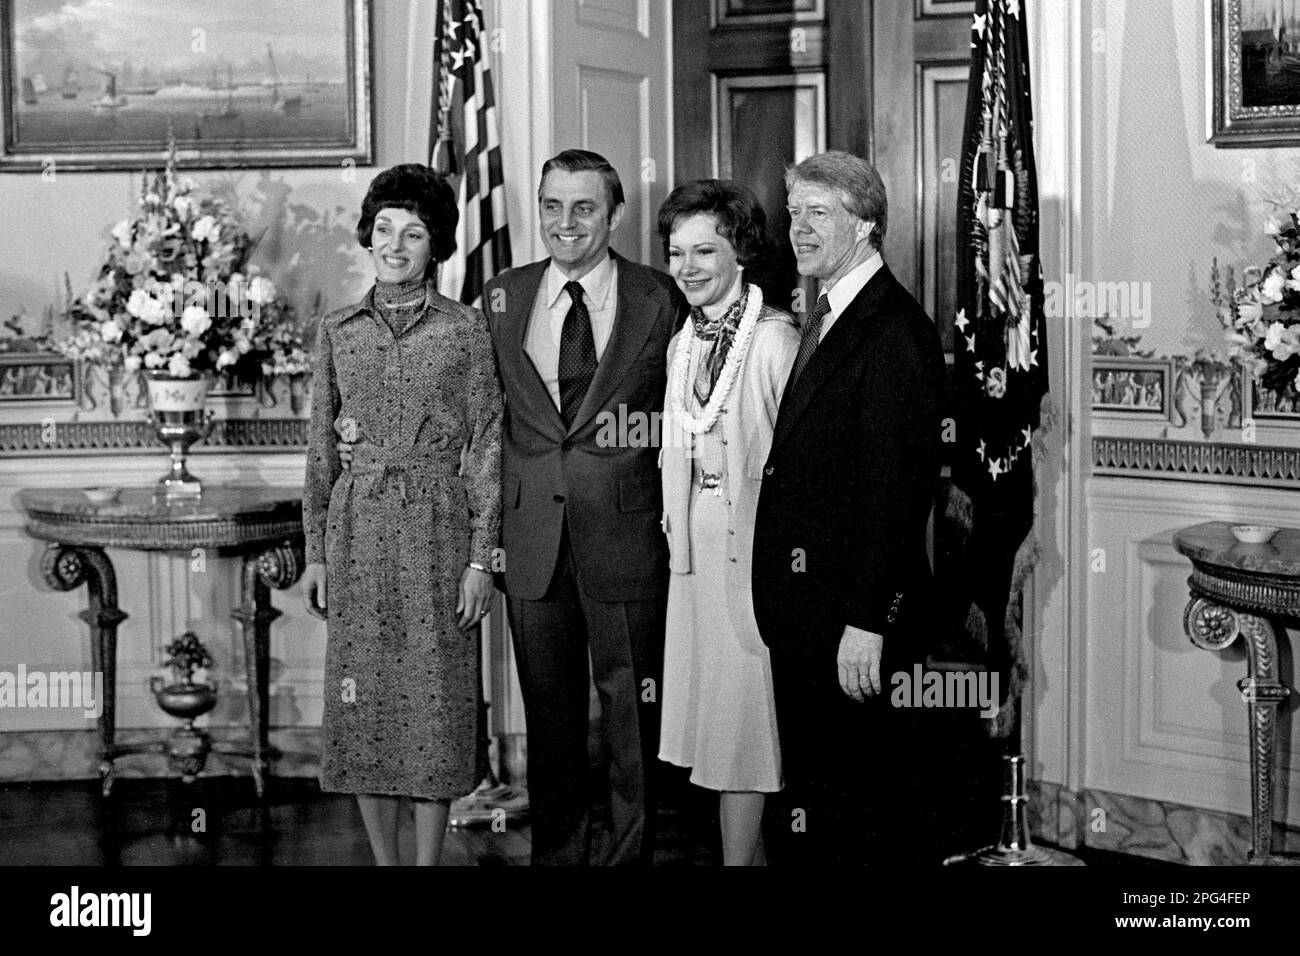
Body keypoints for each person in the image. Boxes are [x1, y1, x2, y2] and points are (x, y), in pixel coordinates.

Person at [483, 149, 685, 865]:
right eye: (551, 206)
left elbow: (687, 416)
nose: (564, 223)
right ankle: (560, 856)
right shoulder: (501, 295)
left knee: (634, 715)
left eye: (584, 207)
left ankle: (630, 857)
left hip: (627, 536)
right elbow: (485, 422)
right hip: (531, 538)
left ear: (615, 214)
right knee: (550, 718)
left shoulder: (660, 297)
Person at [301, 164, 502, 866]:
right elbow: (320, 449)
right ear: (368, 235)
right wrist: (317, 553)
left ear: (435, 244)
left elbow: (485, 446)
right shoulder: (338, 330)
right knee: (364, 710)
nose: (395, 244)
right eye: (384, 228)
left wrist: (482, 559)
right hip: (356, 531)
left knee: (435, 703)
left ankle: (427, 863)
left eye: (412, 232)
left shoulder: (466, 330)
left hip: (438, 531)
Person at [751, 151, 947, 866]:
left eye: (819, 213)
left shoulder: (894, 332)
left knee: (857, 810)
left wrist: (868, 620)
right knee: (817, 796)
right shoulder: (828, 313)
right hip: (807, 613)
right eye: (795, 211)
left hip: (851, 623)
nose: (798, 228)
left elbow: (896, 496)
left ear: (865, 225)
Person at [655, 180, 797, 866]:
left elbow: (798, 467)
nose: (686, 267)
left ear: (741, 251)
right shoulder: (685, 341)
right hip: (697, 550)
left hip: (754, 556)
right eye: (676, 252)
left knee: (744, 724)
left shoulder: (773, 340)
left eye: (703, 250)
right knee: (715, 723)